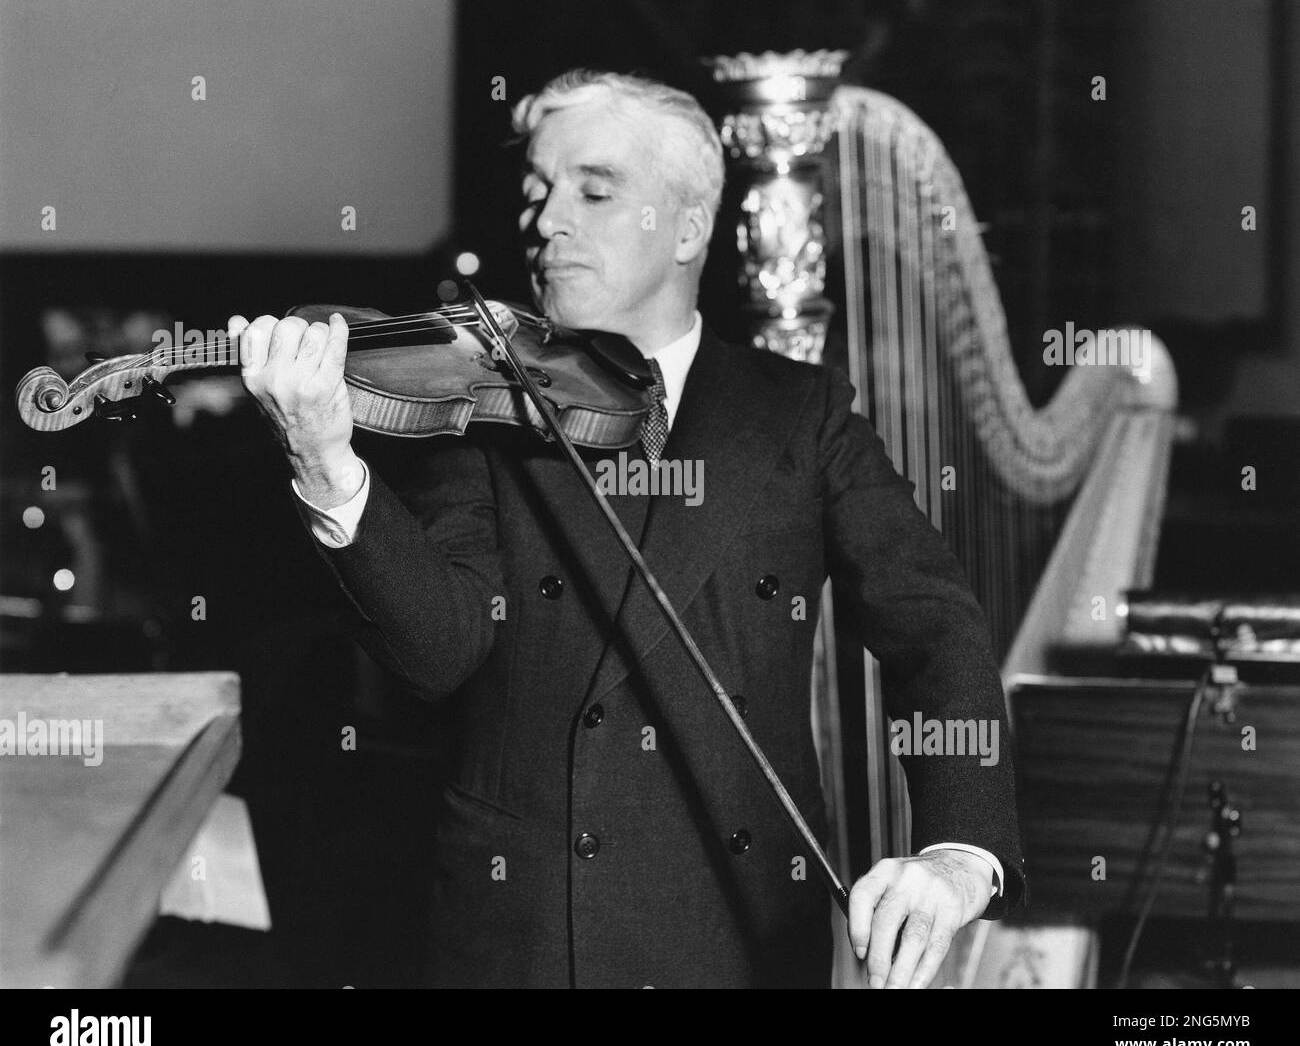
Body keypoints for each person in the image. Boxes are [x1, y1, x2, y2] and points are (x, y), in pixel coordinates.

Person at [230, 70, 1024, 989]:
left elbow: (936, 630)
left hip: (734, 937)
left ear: (687, 228)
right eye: (537, 193)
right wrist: (327, 465)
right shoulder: (485, 405)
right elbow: (440, 651)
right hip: (519, 936)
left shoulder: (797, 412)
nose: (547, 219)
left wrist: (958, 853)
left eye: (594, 190)